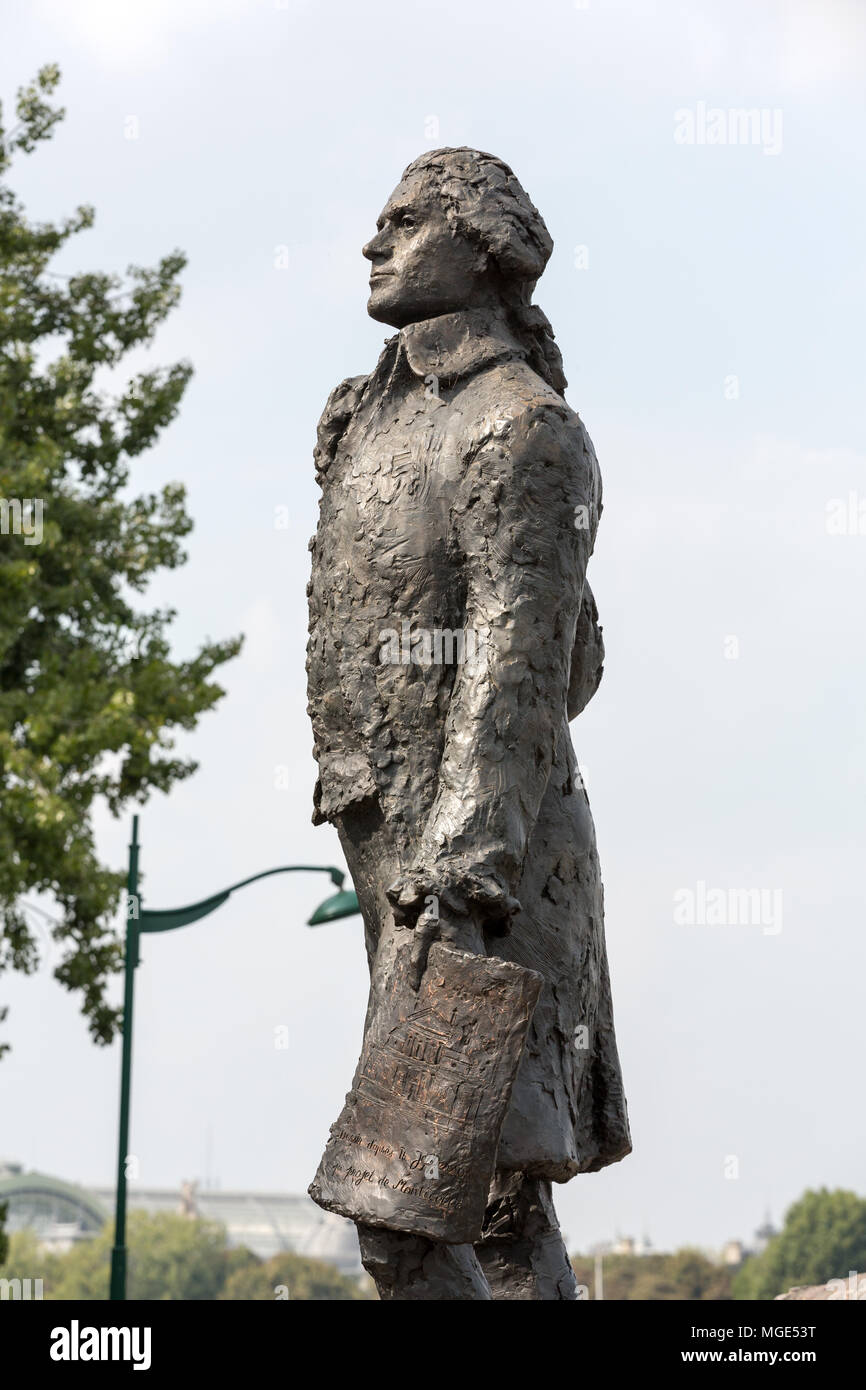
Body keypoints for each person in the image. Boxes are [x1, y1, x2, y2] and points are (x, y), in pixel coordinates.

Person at [306, 148, 631, 1299]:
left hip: (473, 867)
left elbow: (523, 661)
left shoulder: (519, 424)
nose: (372, 240)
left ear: (482, 251)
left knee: (403, 1210)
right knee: (492, 1203)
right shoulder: (372, 422)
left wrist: (463, 865)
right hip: (392, 847)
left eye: (404, 220)